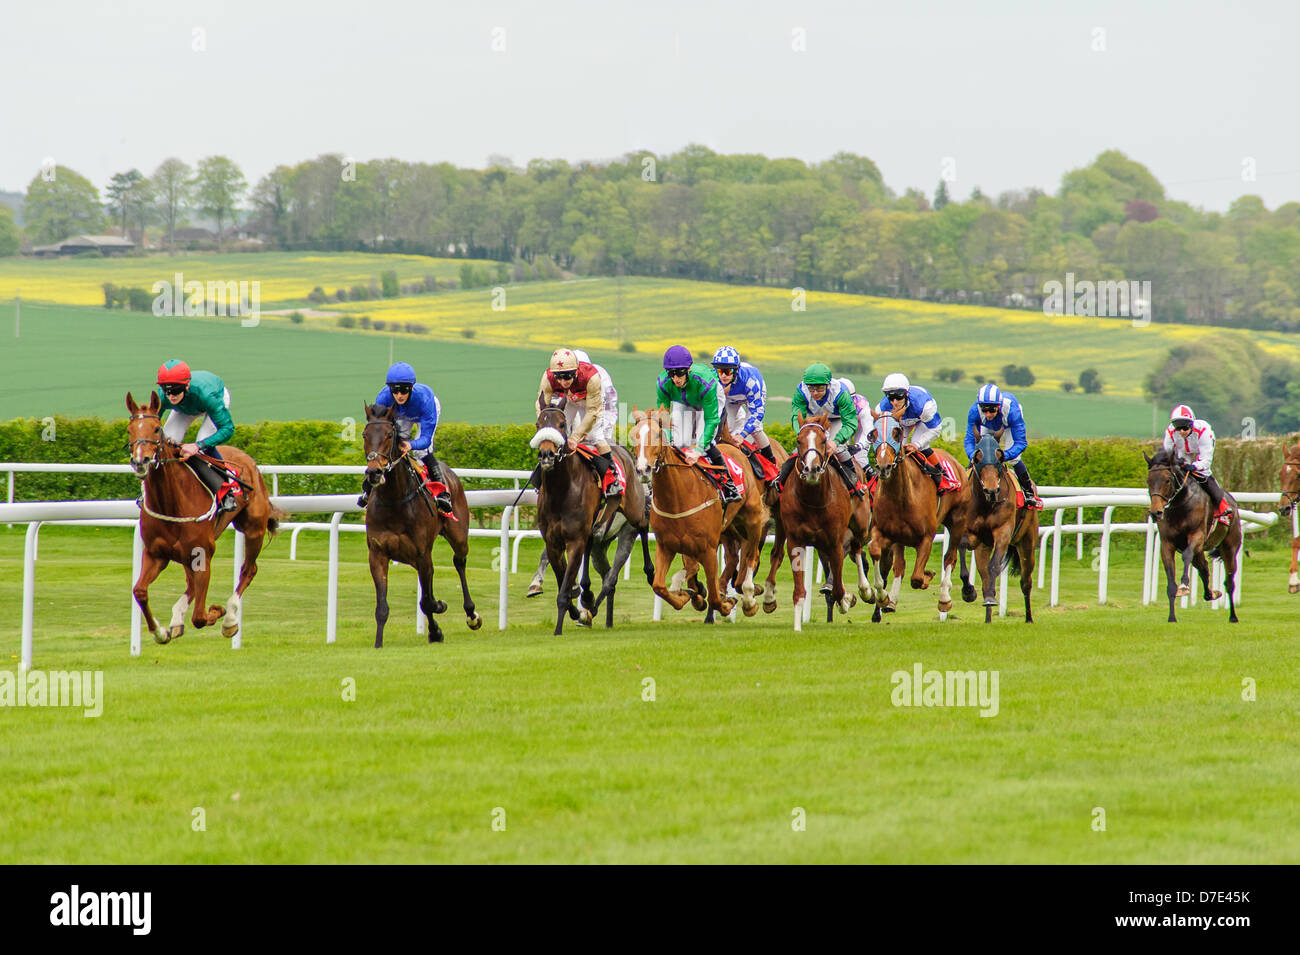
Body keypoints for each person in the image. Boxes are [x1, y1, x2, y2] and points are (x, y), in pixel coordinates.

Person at [359, 361, 454, 515]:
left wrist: (411, 444)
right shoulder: (383, 398)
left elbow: (426, 439)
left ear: (411, 388)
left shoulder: (425, 399)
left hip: (424, 413)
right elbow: (380, 431)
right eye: (395, 391)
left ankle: (443, 494)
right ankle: (369, 488)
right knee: (392, 446)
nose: (399, 395)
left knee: (421, 452)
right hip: (402, 415)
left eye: (404, 390)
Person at [656, 344, 742, 503]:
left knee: (705, 443)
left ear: (688, 370)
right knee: (679, 442)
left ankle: (728, 484)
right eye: (671, 374)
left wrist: (699, 448)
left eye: (679, 373)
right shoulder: (662, 384)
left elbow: (711, 420)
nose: (675, 379)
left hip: (708, 397)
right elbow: (664, 417)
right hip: (684, 400)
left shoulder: (706, 383)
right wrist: (668, 439)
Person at [155, 359, 243, 513]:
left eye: (175, 390)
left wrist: (197, 446)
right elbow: (153, 424)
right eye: (166, 390)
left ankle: (227, 490)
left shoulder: (207, 395)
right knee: (166, 443)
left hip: (215, 398)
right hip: (185, 406)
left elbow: (228, 429)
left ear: (186, 386)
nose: (171, 395)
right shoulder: (164, 396)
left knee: (202, 443)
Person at [536, 348, 623, 498]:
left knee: (595, 436)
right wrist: (545, 428)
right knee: (557, 430)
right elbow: (541, 406)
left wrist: (575, 438)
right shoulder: (548, 377)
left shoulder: (593, 377)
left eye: (567, 376)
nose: (563, 382)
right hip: (573, 398)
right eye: (559, 377)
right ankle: (543, 474)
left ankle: (613, 478)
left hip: (594, 400)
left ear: (577, 371)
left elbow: (592, 413)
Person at [774, 362, 864, 498]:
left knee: (838, 449)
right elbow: (796, 416)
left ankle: (855, 484)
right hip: (813, 420)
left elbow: (851, 422)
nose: (815, 393)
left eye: (820, 389)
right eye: (812, 389)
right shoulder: (801, 391)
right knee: (799, 450)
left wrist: (836, 441)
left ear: (828, 385)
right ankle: (780, 482)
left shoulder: (841, 392)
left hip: (837, 420)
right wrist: (801, 434)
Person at [874, 373, 957, 493]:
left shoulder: (924, 406)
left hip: (921, 418)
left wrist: (917, 444)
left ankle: (941, 474)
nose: (895, 402)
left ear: (906, 394)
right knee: (897, 447)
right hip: (901, 421)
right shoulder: (882, 408)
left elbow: (936, 429)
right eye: (891, 398)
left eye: (899, 397)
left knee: (916, 444)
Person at [964, 382, 1042, 507]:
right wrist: (973, 456)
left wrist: (1004, 455)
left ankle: (1029, 492)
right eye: (985, 409)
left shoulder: (1012, 411)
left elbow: (1021, 443)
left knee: (1014, 460)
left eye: (992, 410)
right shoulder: (974, 411)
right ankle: (964, 489)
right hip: (987, 427)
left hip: (1009, 425)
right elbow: (969, 440)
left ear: (999, 406)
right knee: (980, 454)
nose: (988, 414)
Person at [711, 345, 776, 482]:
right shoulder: (713, 378)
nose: (722, 375)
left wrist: (743, 435)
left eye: (727, 371)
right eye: (719, 370)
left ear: (735, 370)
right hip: (731, 399)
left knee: (756, 429)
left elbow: (757, 413)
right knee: (727, 429)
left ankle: (772, 464)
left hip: (751, 394)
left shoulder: (751, 381)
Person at [1163, 404, 1233, 525]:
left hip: (1201, 447)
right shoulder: (1170, 431)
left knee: (1201, 474)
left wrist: (1194, 466)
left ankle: (1222, 506)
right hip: (1183, 451)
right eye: (1178, 428)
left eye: (1184, 428)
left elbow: (1206, 460)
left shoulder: (1204, 430)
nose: (1181, 432)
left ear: (1191, 424)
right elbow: (1168, 454)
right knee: (1177, 474)